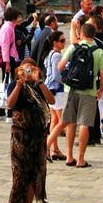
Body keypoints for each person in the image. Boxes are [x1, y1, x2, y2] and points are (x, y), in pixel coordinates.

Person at [4, 58, 53, 203]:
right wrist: (19, 85)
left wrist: (39, 82)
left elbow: (51, 101)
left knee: (34, 179)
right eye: (25, 69)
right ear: (18, 71)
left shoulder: (38, 86)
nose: (28, 72)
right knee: (19, 178)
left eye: (31, 69)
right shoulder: (15, 85)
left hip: (38, 138)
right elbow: (10, 104)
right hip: (21, 138)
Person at [58, 21, 103, 168]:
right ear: (94, 35)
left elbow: (60, 66)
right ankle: (81, 159)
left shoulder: (73, 47)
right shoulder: (99, 52)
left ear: (81, 34)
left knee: (70, 122)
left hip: (70, 89)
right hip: (89, 91)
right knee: (85, 124)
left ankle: (69, 156)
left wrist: (68, 76)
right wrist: (100, 90)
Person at [43, 30, 68, 161]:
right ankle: (49, 147)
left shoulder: (51, 54)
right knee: (62, 121)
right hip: (57, 90)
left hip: (51, 89)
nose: (64, 43)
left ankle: (55, 149)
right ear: (55, 43)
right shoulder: (57, 55)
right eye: (62, 41)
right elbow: (56, 75)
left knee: (55, 120)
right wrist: (67, 82)